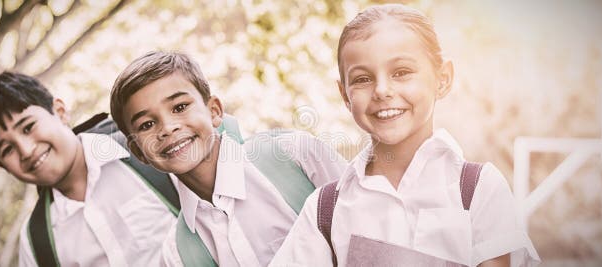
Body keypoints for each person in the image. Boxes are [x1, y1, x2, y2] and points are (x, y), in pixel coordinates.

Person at [270, 4, 540, 267]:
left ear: (442, 79)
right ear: (344, 95)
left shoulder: (478, 188)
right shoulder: (325, 209)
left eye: (401, 73)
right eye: (363, 79)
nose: (382, 90)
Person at [109, 51, 347, 266]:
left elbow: (372, 224)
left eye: (180, 107)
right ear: (139, 152)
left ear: (214, 111)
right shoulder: (179, 255)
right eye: (147, 124)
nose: (168, 128)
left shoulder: (296, 155)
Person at [0, 72, 175, 266]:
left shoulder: (148, 152)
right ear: (3, 166)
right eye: (7, 149)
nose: (27, 150)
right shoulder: (36, 244)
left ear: (59, 112)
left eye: (28, 127)